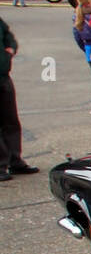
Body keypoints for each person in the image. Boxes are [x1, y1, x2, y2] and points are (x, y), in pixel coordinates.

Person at [0, 13, 39, 180]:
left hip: (3, 76)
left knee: (11, 121)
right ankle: (1, 166)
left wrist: (11, 48)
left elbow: (8, 34)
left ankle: (15, 161)